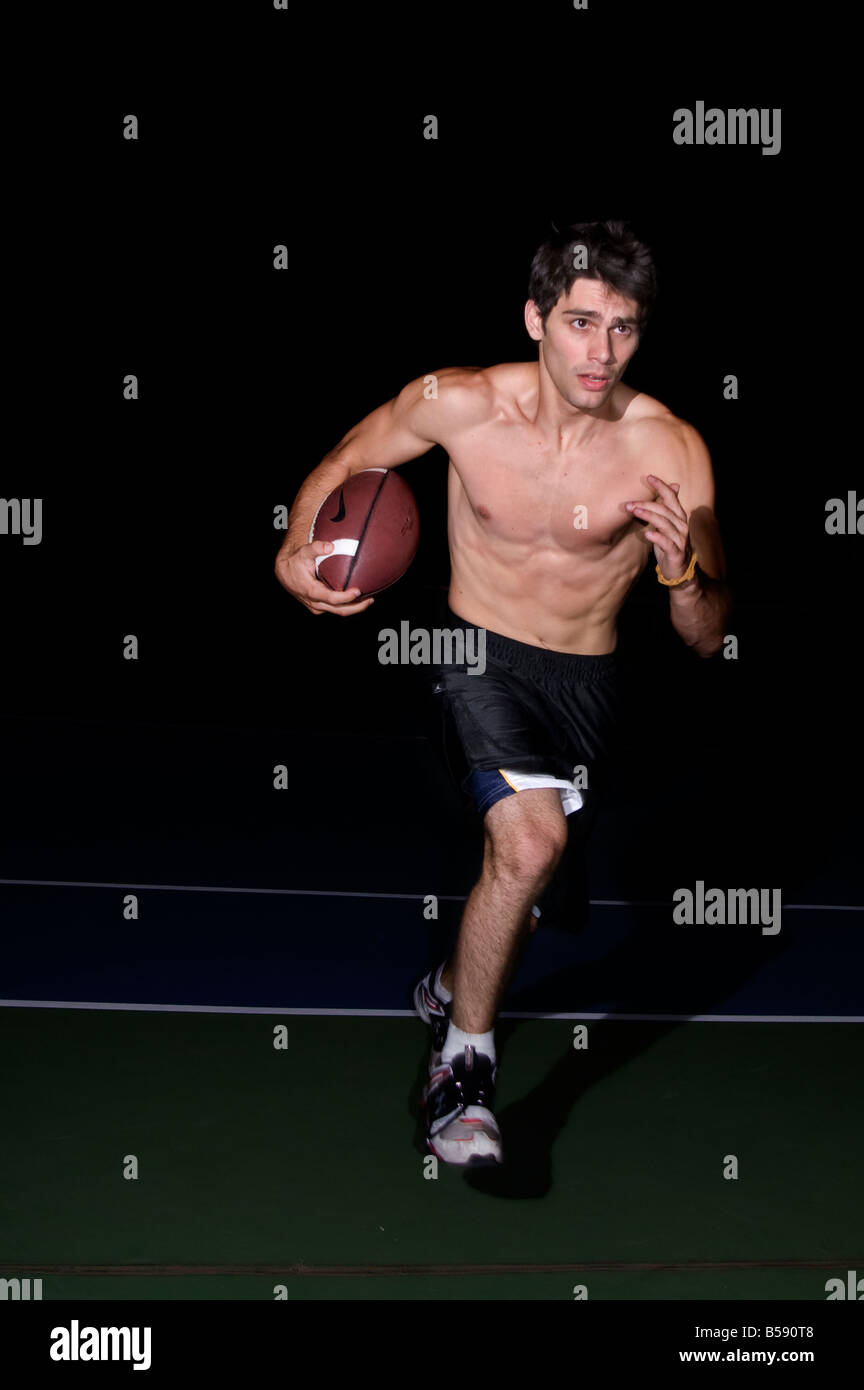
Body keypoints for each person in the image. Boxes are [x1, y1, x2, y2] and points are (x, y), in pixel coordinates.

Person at [275, 220, 731, 1167]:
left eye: (625, 328)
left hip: (586, 687)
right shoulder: (462, 403)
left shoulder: (671, 450)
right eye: (580, 322)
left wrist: (684, 574)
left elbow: (708, 636)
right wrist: (291, 549)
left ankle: (447, 985)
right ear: (534, 317)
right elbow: (352, 455)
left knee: (543, 893)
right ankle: (463, 1076)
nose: (601, 351)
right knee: (531, 842)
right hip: (472, 653)